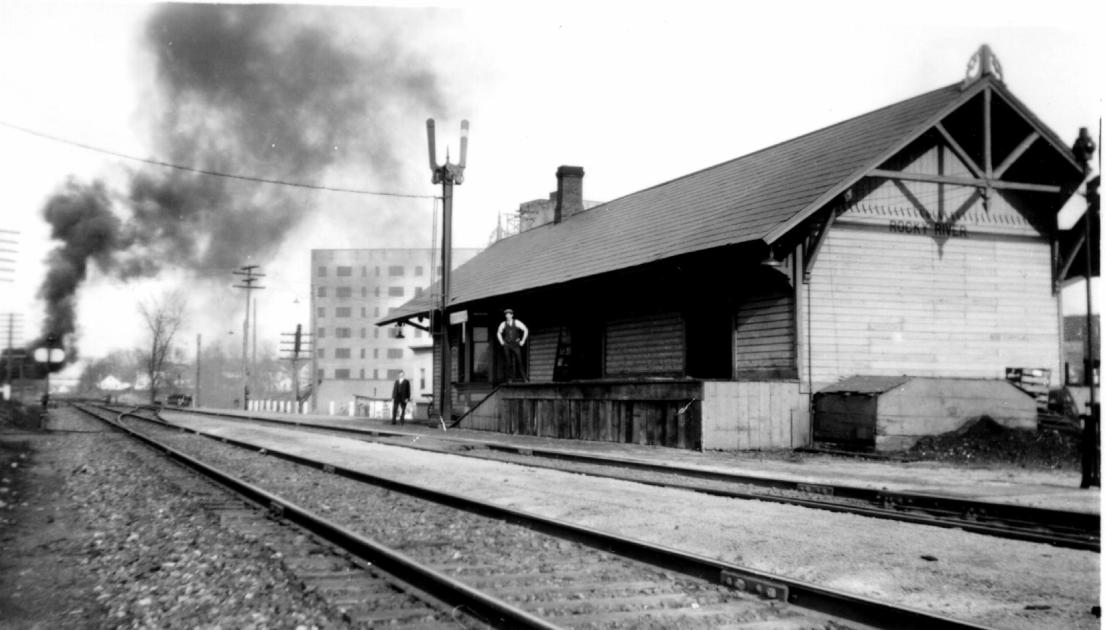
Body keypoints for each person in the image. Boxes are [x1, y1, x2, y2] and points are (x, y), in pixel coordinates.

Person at [496, 308, 529, 382]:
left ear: (512, 315)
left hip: (515, 344)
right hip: (507, 344)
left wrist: (523, 341)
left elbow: (525, 330)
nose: (507, 316)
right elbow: (498, 333)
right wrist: (502, 342)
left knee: (519, 361)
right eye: (506, 315)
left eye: (509, 314)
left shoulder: (517, 322)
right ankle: (510, 379)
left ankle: (524, 378)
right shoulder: (503, 324)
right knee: (508, 362)